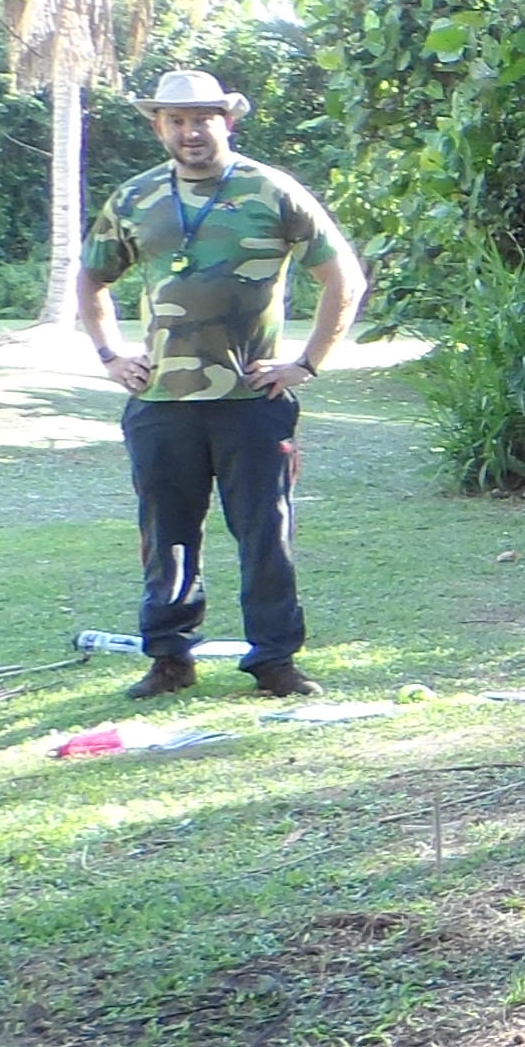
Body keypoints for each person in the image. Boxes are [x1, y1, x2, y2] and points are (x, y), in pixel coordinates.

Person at [74, 65, 366, 699]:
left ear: (226, 120)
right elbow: (91, 279)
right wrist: (109, 354)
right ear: (159, 126)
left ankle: (275, 661)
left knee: (266, 532)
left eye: (202, 119)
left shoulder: (272, 191)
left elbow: (344, 279)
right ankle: (170, 658)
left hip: (251, 404)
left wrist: (305, 364)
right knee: (166, 534)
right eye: (176, 120)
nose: (190, 132)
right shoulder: (134, 199)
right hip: (160, 402)